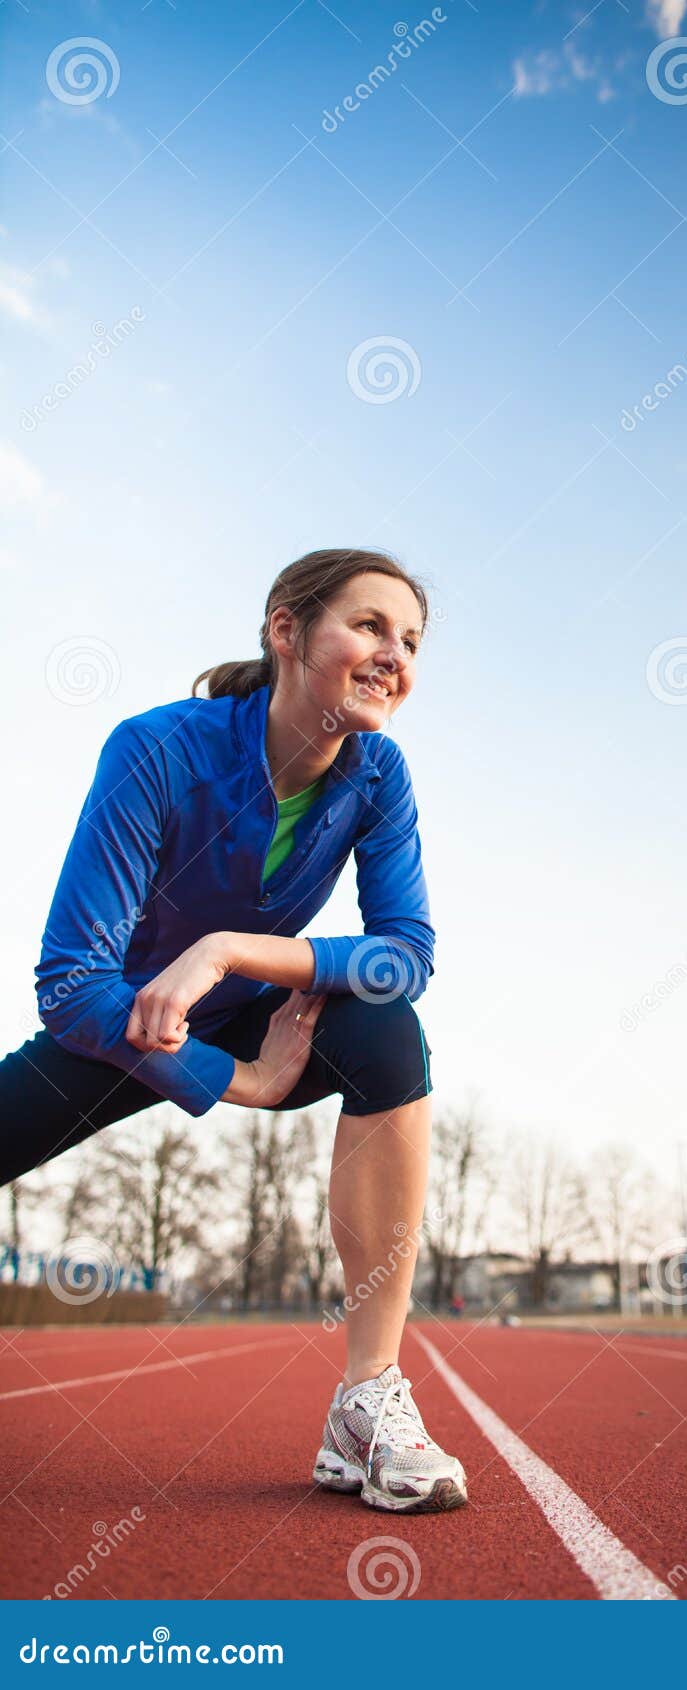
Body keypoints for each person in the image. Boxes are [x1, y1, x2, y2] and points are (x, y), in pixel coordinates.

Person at [0, 547, 467, 1515]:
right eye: (370, 626)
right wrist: (234, 1078)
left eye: (410, 640)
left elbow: (403, 954)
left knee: (387, 1030)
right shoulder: (156, 750)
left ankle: (365, 1399)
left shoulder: (377, 775)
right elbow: (68, 980)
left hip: (254, 1010)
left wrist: (227, 949)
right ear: (286, 631)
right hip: (116, 1024)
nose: (394, 654)